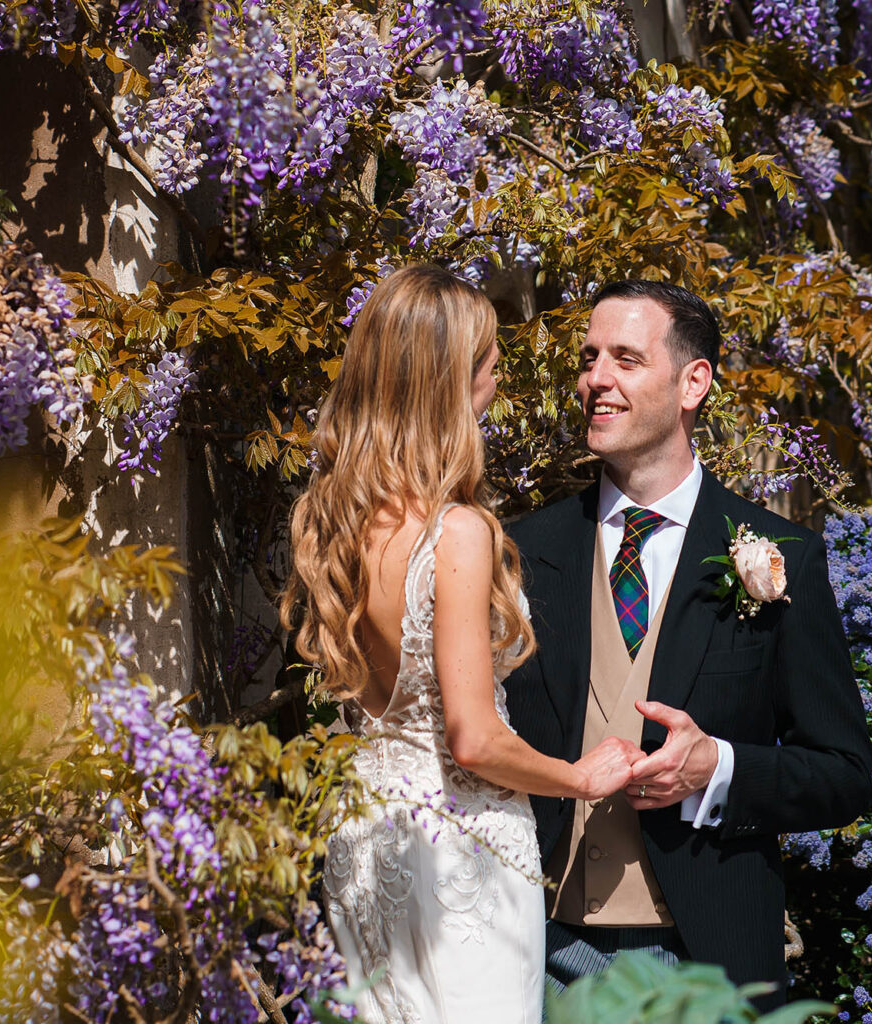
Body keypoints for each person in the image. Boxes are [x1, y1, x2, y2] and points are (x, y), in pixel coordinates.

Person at [280, 264, 644, 1023]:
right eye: (488, 367)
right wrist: (578, 778)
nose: (496, 384)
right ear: (450, 384)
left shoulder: (335, 518)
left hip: (364, 839)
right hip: (461, 853)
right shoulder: (459, 532)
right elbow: (474, 739)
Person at [502, 280, 872, 1009]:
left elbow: (844, 772)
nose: (596, 380)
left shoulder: (782, 557)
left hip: (706, 956)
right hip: (536, 947)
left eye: (626, 359)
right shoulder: (520, 550)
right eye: (588, 358)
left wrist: (719, 768)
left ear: (692, 382)